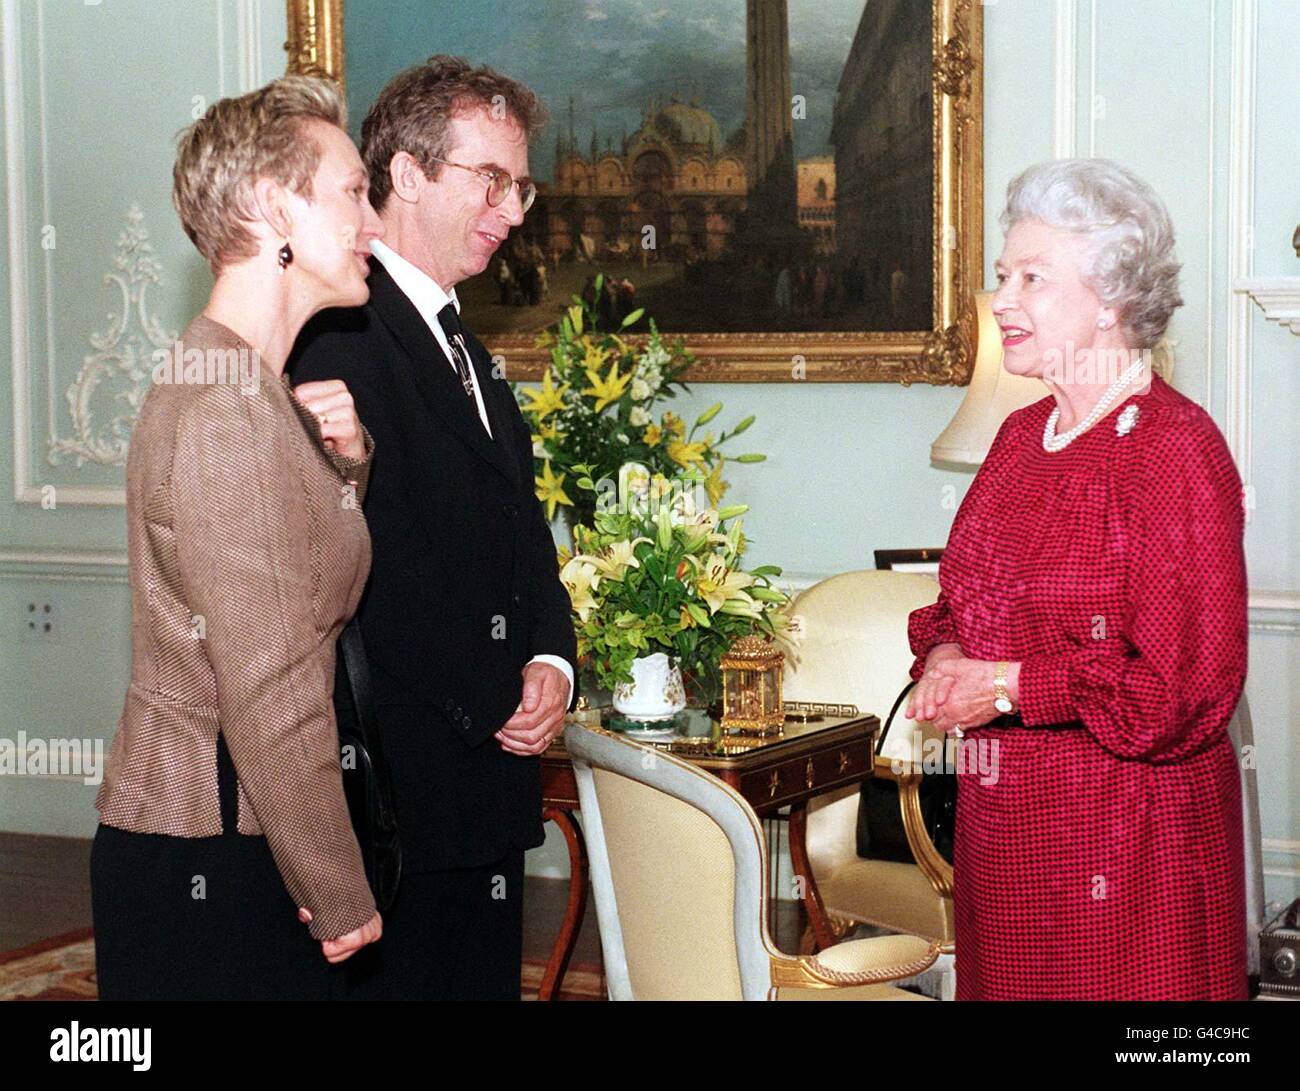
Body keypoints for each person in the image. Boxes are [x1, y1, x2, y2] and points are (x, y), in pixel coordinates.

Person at [905, 158, 1248, 1001]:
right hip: (1008, 842)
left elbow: (1184, 692)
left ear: (1110, 301)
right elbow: (959, 602)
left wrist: (1012, 684)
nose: (1003, 300)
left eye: (1032, 277)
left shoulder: (1175, 448)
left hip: (1128, 852)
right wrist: (948, 656)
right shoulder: (1023, 436)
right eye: (1000, 276)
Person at [91, 76, 386, 999]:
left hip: (236, 840)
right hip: (205, 854)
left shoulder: (253, 388)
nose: (373, 221)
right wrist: (339, 892)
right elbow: (270, 688)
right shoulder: (227, 407)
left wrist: (346, 466)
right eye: (352, 191)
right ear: (272, 206)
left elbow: (298, 584)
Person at [290, 55, 577, 1000]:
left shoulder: (476, 357)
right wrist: (495, 690)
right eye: (491, 179)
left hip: (482, 793)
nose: (513, 210)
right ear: (405, 175)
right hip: (398, 794)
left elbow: (523, 536)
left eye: (521, 186)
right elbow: (373, 569)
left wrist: (552, 660)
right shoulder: (340, 343)